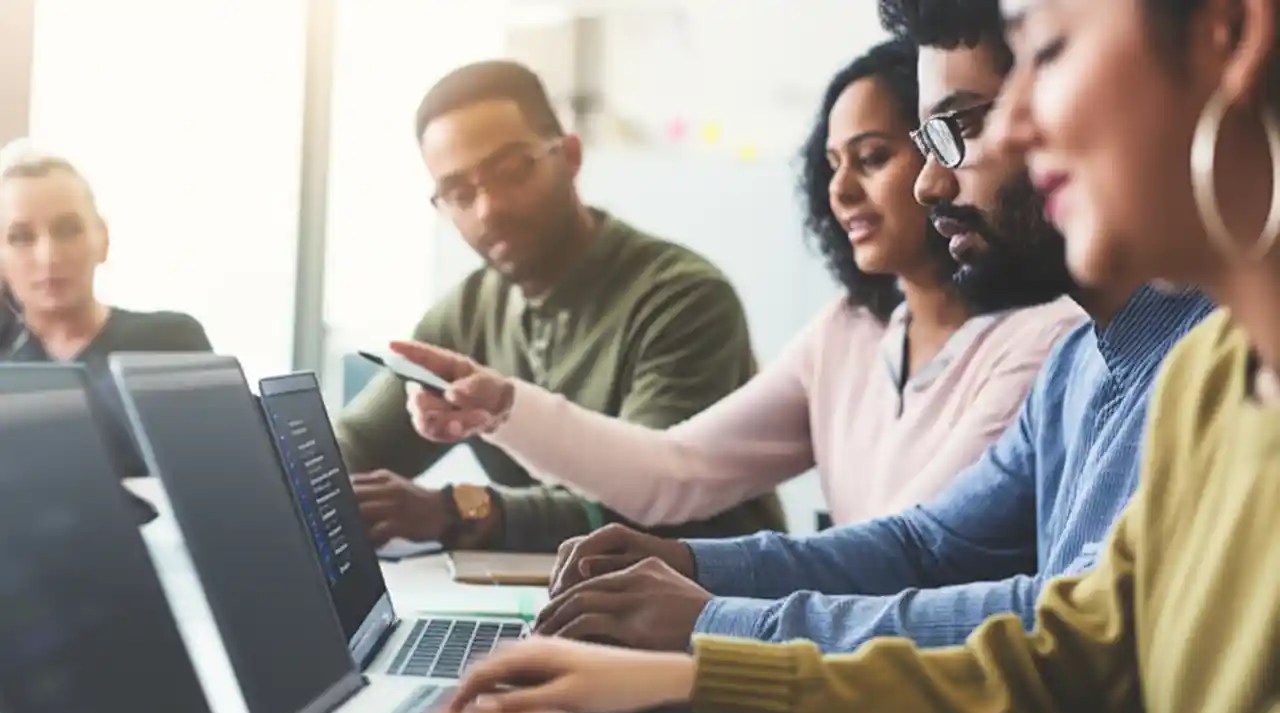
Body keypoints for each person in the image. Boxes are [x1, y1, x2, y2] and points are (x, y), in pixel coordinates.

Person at [443, 0, 1280, 713]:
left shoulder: (1158, 366)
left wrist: (706, 632)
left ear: (1232, 34)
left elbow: (1048, 643)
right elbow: (1053, 636)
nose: (1018, 130)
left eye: (1049, 55)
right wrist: (695, 626)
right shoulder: (1184, 378)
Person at [391, 41, 1083, 541]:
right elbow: (674, 472)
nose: (840, 191)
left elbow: (902, 552)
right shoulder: (848, 331)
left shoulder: (1043, 338)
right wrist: (502, 408)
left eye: (873, 158)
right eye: (832, 165)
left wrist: (695, 605)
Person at [332, 60, 784, 552]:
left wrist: (455, 510)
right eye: (459, 193)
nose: (489, 208)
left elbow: (644, 502)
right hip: (558, 587)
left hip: (706, 591)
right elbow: (354, 445)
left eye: (511, 171)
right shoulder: (466, 314)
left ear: (570, 156)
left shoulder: (683, 300)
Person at [0, 141, 211, 479]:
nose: (48, 256)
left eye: (68, 230)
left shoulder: (171, 345)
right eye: (21, 237)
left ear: (103, 239)